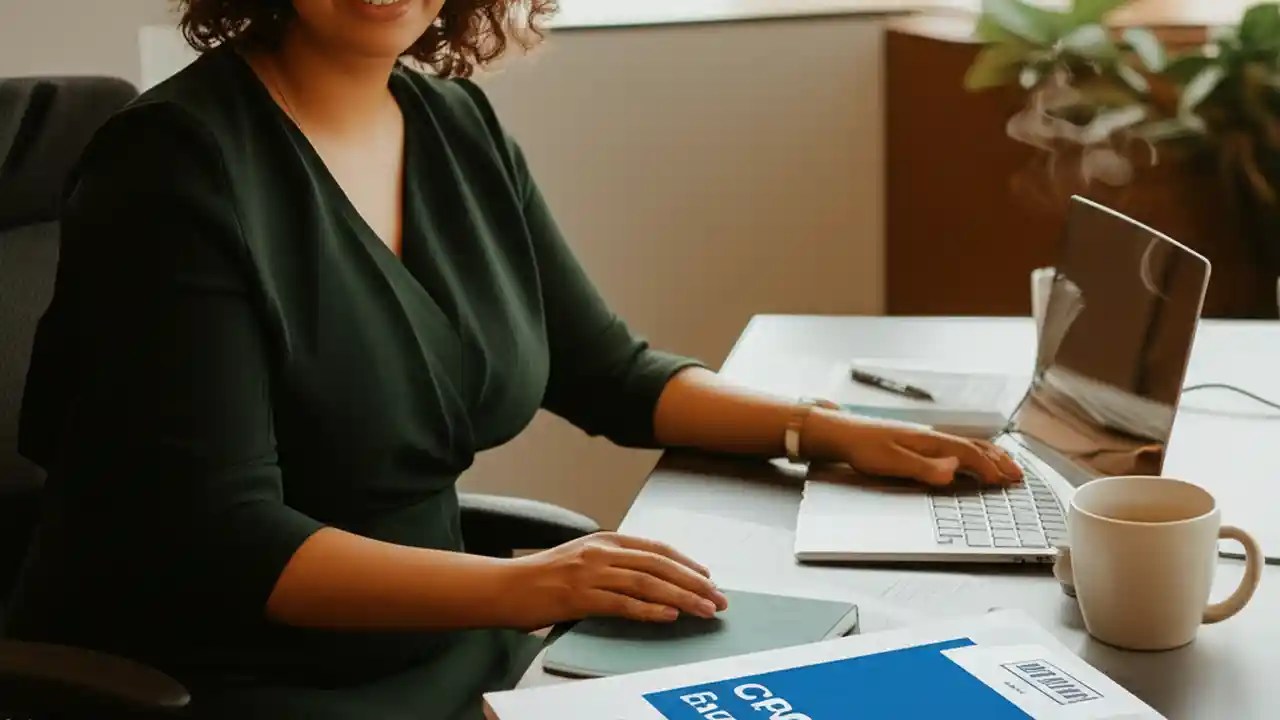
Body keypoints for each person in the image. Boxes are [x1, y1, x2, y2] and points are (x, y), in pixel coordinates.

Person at [5, 0, 1022, 717]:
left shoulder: (454, 124)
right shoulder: (173, 168)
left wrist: (828, 432)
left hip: (449, 644)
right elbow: (231, 543)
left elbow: (610, 372)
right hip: (235, 676)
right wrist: (530, 584)